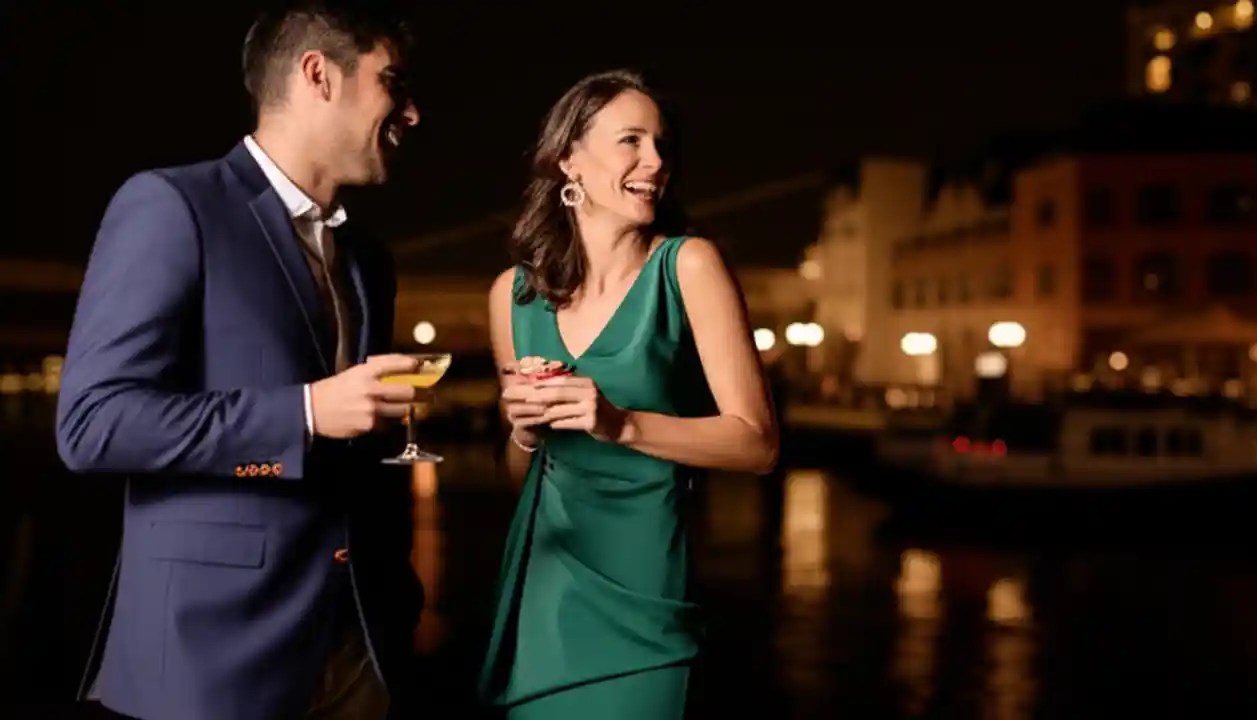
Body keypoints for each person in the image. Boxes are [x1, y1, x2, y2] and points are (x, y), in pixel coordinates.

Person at [55, 3, 426, 718]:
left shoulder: (368, 259)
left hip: (358, 651)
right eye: (393, 83)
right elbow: (93, 425)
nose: (411, 112)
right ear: (319, 74)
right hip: (211, 658)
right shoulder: (172, 206)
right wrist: (307, 412)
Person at [477, 69, 780, 719]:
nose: (656, 162)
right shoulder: (511, 296)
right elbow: (520, 478)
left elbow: (757, 445)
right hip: (550, 591)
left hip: (649, 588)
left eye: (663, 144)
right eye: (631, 141)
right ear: (570, 160)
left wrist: (621, 425)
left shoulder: (689, 266)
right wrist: (523, 434)